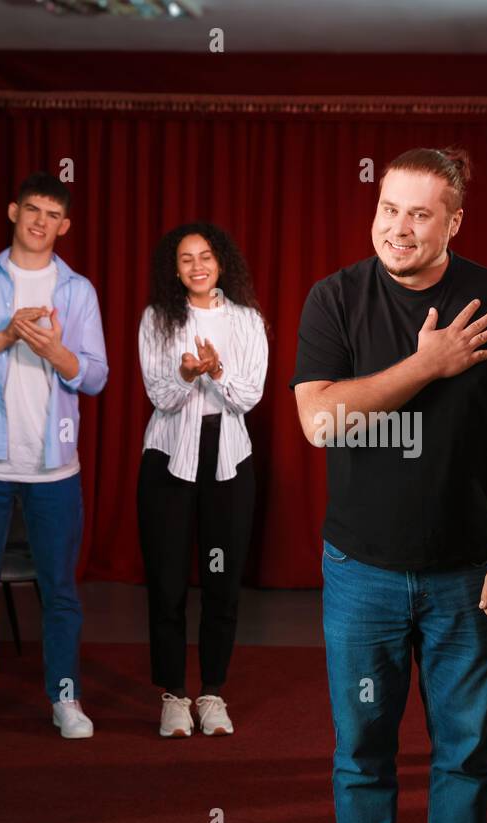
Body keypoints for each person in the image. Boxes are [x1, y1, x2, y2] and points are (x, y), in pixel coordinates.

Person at [291, 146, 487, 823]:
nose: (398, 227)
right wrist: (426, 364)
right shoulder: (335, 299)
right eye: (387, 209)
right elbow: (320, 422)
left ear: (454, 222)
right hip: (360, 572)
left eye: (418, 213)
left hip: (467, 576)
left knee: (464, 757)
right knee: (361, 757)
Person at [0, 171, 109, 742]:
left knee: (59, 589)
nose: (40, 222)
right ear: (13, 211)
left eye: (52, 215)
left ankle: (65, 698)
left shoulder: (77, 290)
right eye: (32, 209)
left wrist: (56, 351)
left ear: (65, 225)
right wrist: (7, 336)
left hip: (54, 467)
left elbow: (97, 376)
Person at [137, 223, 268, 737]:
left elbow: (249, 397)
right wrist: (187, 375)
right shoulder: (158, 319)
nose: (196, 265)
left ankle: (212, 692)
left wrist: (214, 373)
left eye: (206, 256)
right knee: (167, 583)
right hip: (168, 460)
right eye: (186, 258)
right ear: (175, 268)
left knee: (222, 584)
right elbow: (160, 396)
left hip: (229, 462)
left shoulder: (247, 321)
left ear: (221, 263)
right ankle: (173, 695)